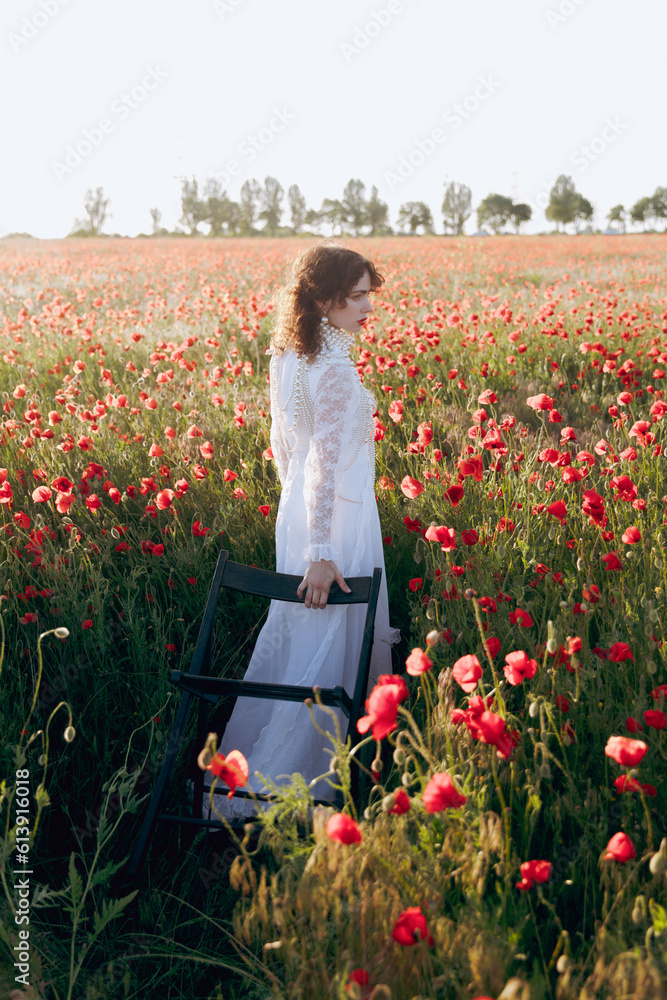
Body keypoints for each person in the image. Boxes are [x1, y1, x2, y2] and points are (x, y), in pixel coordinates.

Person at [203, 241, 400, 821]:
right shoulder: (334, 368)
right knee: (328, 640)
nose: (369, 307)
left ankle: (278, 776)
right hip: (336, 522)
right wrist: (320, 548)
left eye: (370, 294)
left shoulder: (287, 354)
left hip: (301, 514)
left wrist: (300, 524)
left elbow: (283, 448)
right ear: (323, 297)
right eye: (358, 296)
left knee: (302, 635)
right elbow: (320, 460)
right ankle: (307, 789)